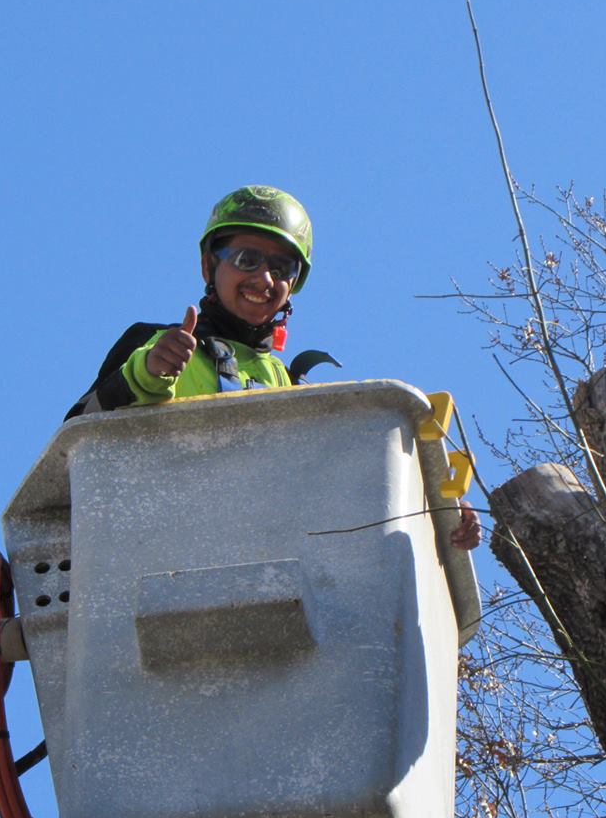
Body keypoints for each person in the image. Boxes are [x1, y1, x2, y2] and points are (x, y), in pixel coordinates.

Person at [66, 184, 481, 550]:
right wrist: (148, 373)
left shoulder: (286, 387)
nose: (264, 278)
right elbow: (78, 441)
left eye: (282, 269)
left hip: (265, 560)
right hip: (159, 545)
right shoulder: (158, 343)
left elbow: (345, 486)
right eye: (247, 259)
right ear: (210, 266)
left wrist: (432, 505)